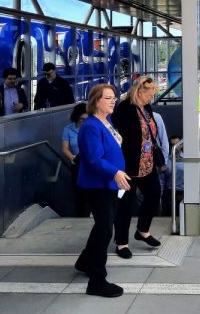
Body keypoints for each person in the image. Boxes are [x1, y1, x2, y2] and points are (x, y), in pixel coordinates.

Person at [75, 83, 131, 298]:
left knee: (102, 226)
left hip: (109, 185)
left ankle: (84, 262)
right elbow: (93, 159)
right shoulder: (91, 126)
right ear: (96, 101)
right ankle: (97, 281)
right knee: (105, 230)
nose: (113, 100)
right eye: (108, 98)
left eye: (114, 97)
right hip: (98, 185)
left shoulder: (106, 121)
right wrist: (115, 172)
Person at [112, 75, 162, 258]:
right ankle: (122, 243)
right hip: (129, 166)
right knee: (126, 204)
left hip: (147, 164)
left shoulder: (146, 107)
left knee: (154, 195)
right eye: (150, 93)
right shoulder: (124, 109)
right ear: (140, 91)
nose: (152, 97)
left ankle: (142, 230)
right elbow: (119, 134)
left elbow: (150, 134)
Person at [62, 102, 89, 217]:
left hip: (91, 164)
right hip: (77, 164)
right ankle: (81, 215)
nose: (84, 122)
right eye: (82, 119)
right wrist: (73, 157)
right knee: (79, 193)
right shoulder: (68, 130)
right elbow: (65, 149)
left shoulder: (91, 128)